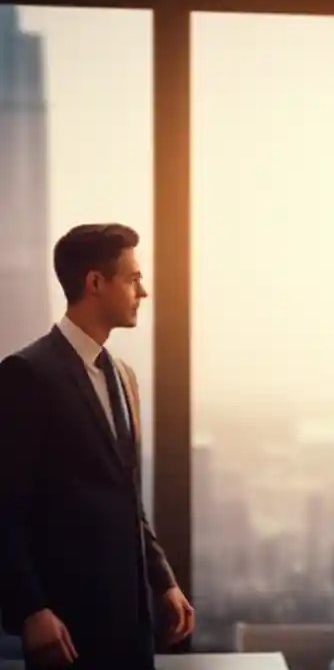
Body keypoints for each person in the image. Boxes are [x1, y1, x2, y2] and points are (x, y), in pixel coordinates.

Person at [0, 224, 196, 668]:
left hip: (132, 626)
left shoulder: (125, 377)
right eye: (132, 278)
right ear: (95, 282)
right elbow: (5, 506)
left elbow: (127, 497)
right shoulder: (27, 374)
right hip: (68, 629)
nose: (143, 291)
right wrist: (31, 609)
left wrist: (163, 581)